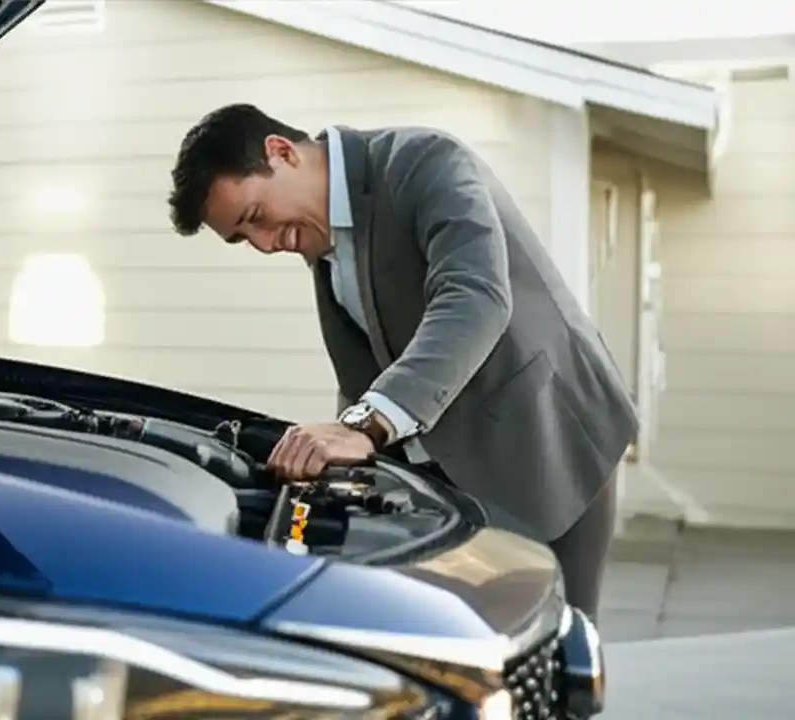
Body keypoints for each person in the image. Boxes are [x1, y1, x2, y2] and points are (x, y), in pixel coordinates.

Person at [166, 103, 638, 619]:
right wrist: (340, 451)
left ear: (282, 153)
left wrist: (366, 427)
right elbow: (366, 376)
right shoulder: (320, 238)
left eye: (255, 217)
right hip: (462, 466)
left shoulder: (426, 162)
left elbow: (475, 299)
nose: (261, 244)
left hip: (554, 438)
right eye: (242, 238)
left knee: (558, 653)